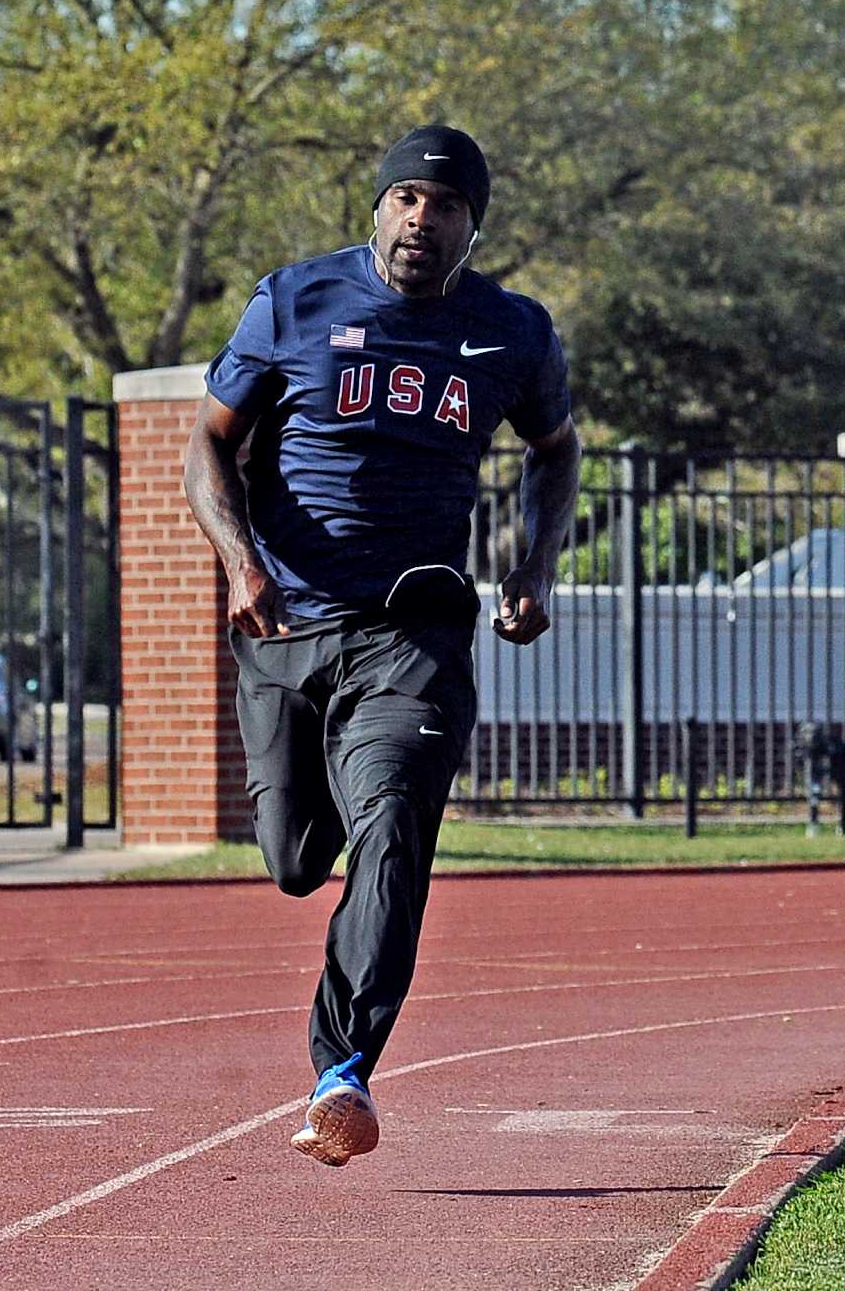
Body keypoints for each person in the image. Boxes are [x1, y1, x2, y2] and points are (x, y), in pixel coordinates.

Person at [184, 124, 581, 1167]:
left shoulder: (513, 333)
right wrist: (240, 561)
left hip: (417, 629)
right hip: (287, 624)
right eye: (405, 197)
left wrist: (534, 568)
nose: (421, 218)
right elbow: (210, 442)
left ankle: (341, 1069)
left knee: (397, 819)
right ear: (377, 210)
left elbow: (555, 449)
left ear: (472, 224)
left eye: (444, 205)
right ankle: (310, 853)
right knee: (292, 860)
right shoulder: (294, 300)